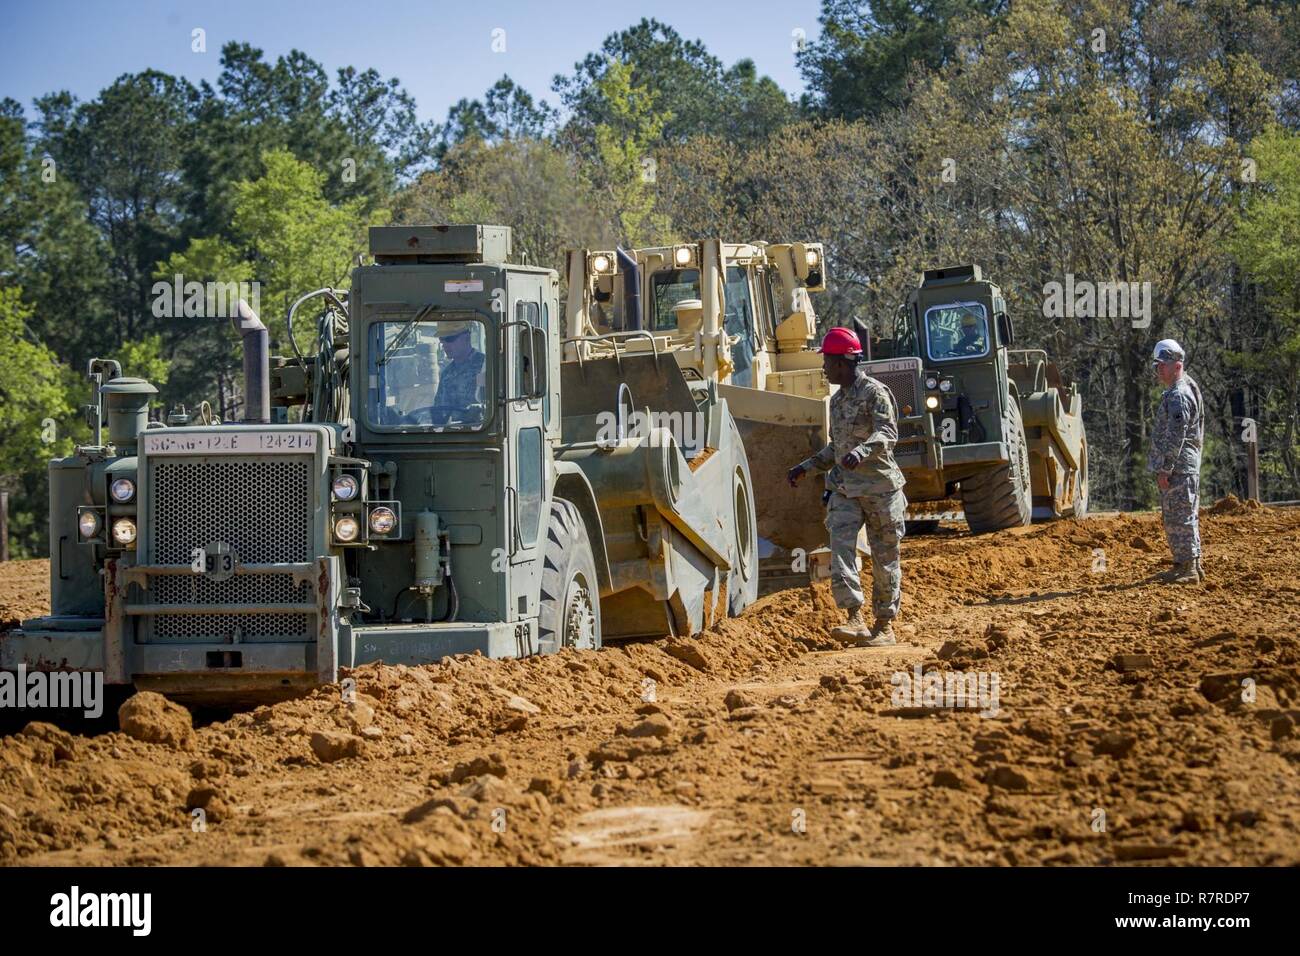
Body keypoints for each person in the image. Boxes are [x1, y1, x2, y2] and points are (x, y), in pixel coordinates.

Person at [788, 326, 907, 645]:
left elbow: (888, 434)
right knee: (840, 547)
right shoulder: (836, 402)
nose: (824, 369)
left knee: (885, 559)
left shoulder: (875, 393)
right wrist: (807, 467)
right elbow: (835, 449)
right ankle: (854, 616)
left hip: (881, 491)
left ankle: (884, 627)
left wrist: (862, 451)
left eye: (826, 362)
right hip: (846, 491)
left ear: (842, 363)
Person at [1148, 338, 1204, 583]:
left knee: (1181, 517)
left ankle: (1189, 569)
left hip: (1179, 467)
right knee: (1180, 516)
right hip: (1182, 466)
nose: (1158, 370)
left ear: (1176, 365)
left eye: (1161, 365)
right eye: (1156, 365)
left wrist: (1165, 468)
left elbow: (1176, 435)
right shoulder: (1183, 387)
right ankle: (1184, 565)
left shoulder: (1178, 395)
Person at [432, 321, 485, 425]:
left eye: (449, 338)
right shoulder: (446, 374)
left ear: (466, 337)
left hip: (478, 433)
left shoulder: (485, 366)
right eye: (442, 339)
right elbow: (438, 410)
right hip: (451, 436)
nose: (444, 344)